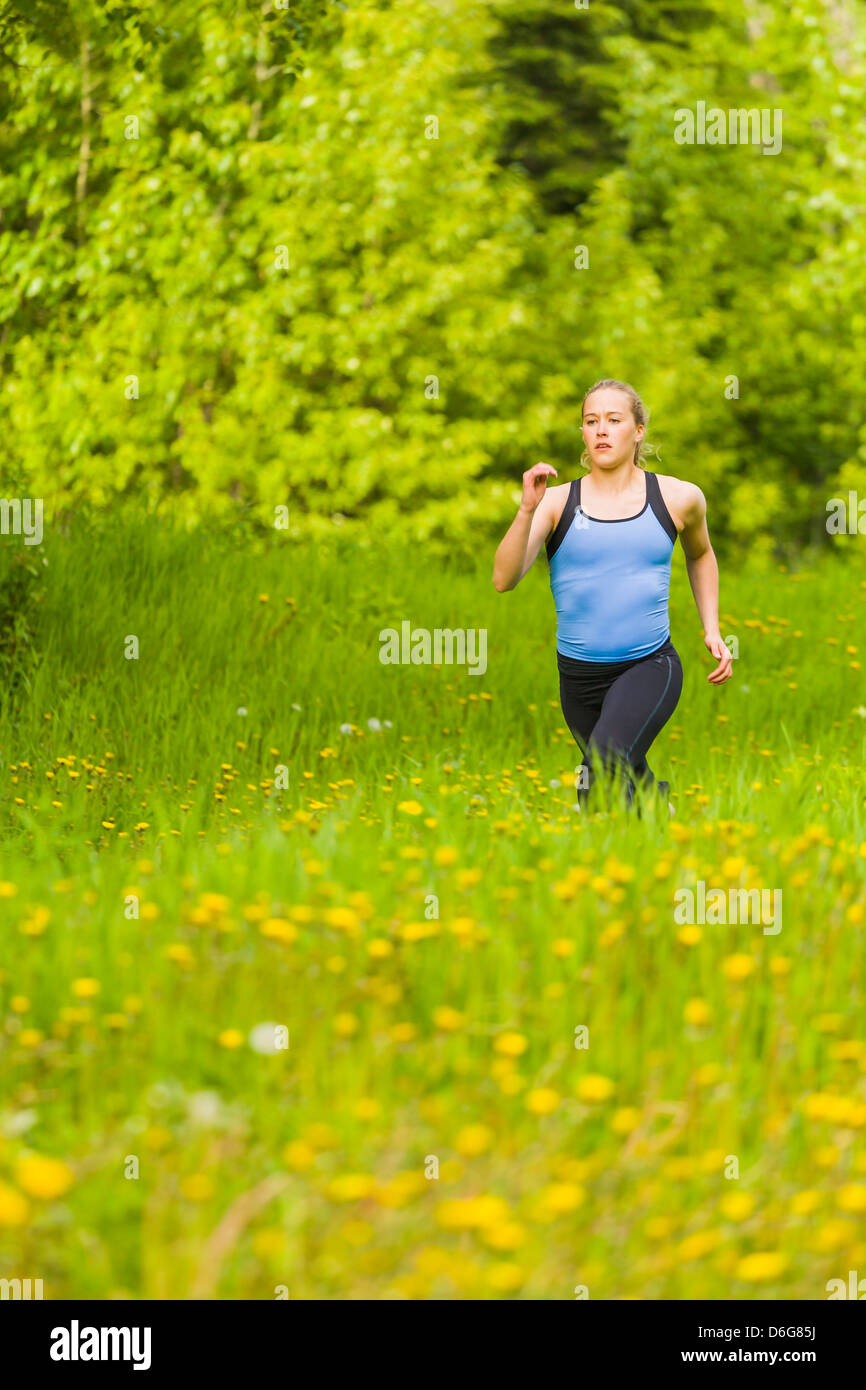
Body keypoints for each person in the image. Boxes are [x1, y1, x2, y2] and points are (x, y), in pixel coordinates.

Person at [492, 378, 733, 812]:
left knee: (601, 769)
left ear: (637, 430)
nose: (601, 429)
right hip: (577, 678)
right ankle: (659, 818)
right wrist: (526, 509)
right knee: (612, 783)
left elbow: (701, 555)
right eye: (591, 421)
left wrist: (711, 628)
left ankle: (625, 850)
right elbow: (504, 579)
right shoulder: (556, 503)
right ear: (583, 433)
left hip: (649, 665)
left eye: (614, 420)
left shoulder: (678, 498)